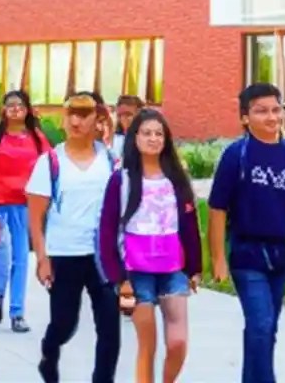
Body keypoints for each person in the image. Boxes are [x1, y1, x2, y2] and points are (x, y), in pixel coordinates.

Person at [208, 82, 285, 383]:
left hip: (280, 257)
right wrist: (218, 257)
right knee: (260, 323)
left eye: (276, 110)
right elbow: (217, 209)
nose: (271, 117)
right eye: (261, 112)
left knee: (267, 328)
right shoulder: (236, 156)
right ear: (245, 117)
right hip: (246, 254)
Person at [99, 109, 201, 383]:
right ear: (135, 138)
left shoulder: (177, 180)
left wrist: (194, 267)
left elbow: (190, 224)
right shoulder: (121, 180)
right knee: (148, 345)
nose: (153, 139)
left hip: (173, 269)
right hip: (136, 272)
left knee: (178, 342)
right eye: (147, 133)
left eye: (159, 134)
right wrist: (119, 278)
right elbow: (107, 231)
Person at [27, 92, 120, 383]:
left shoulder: (110, 159)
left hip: (103, 256)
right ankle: (49, 352)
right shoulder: (50, 162)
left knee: (109, 327)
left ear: (98, 119)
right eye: (71, 114)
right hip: (64, 253)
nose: (76, 121)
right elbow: (36, 215)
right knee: (65, 323)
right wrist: (42, 258)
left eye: (84, 114)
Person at [0, 89, 50, 333]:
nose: (15, 109)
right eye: (10, 105)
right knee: (2, 255)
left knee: (22, 258)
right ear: (3, 110)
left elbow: (49, 167)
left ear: (27, 110)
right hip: (0, 204)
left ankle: (17, 312)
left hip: (25, 205)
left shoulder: (36, 138)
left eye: (20, 105)